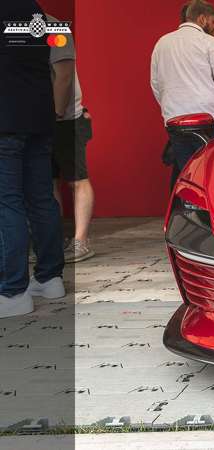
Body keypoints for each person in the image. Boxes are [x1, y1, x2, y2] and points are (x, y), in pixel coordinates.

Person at [1, 0, 66, 318]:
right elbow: (59, 58)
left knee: (6, 202)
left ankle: (12, 291)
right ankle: (50, 278)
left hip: (6, 121)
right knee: (41, 198)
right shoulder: (37, 11)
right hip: (39, 117)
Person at [150, 0, 214, 188]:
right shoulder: (209, 42)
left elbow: (156, 84)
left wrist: (169, 110)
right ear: (202, 19)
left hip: (176, 119)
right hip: (210, 119)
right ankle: (212, 216)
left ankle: (189, 212)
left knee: (187, 174)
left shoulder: (162, 43)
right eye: (212, 22)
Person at [48, 14, 95, 263]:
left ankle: (81, 241)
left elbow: (64, 76)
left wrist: (56, 113)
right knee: (50, 182)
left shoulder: (53, 27)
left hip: (66, 119)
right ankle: (55, 241)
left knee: (77, 180)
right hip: (41, 120)